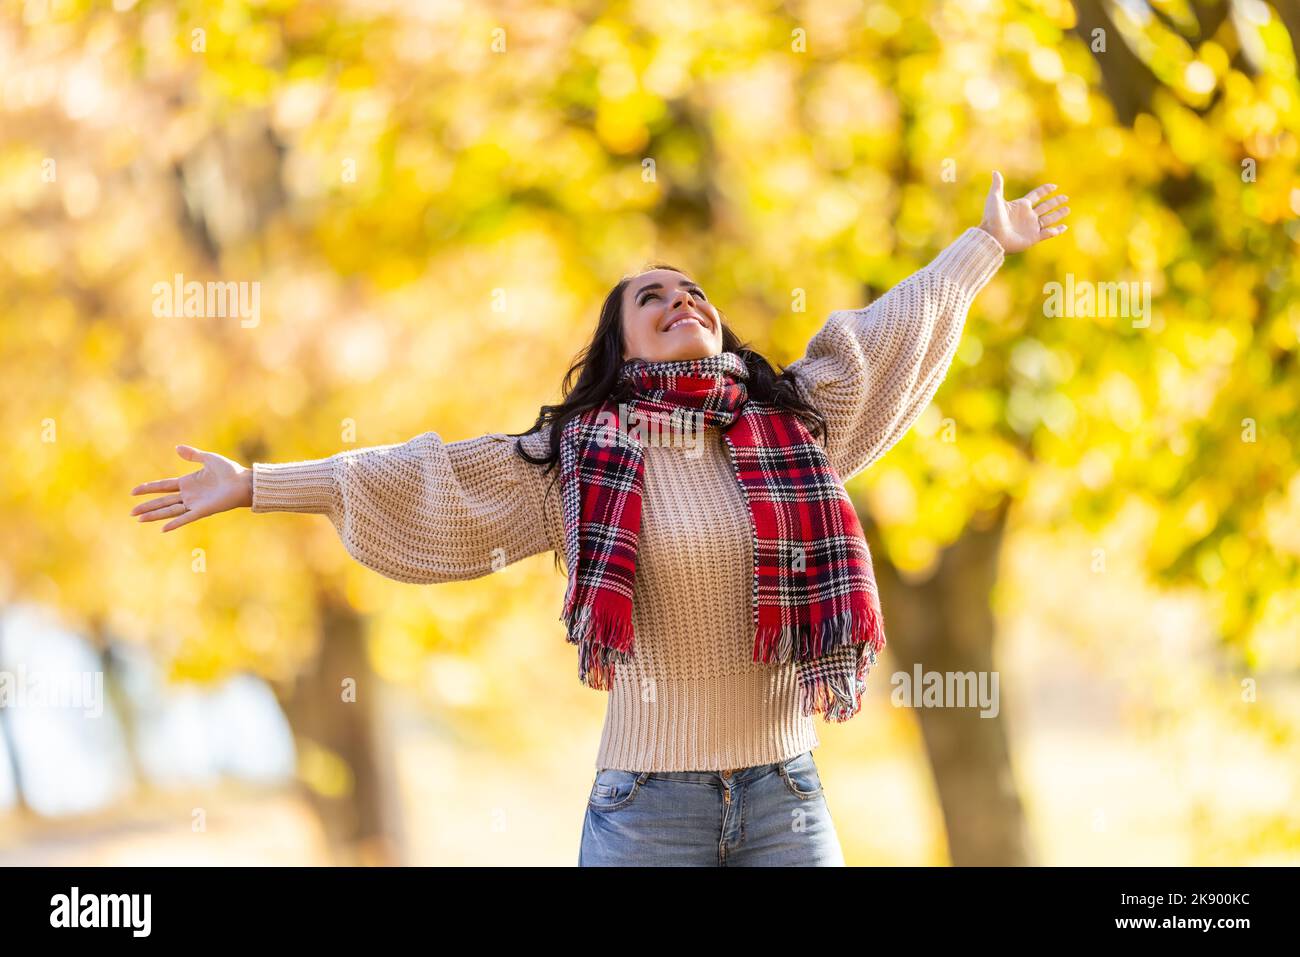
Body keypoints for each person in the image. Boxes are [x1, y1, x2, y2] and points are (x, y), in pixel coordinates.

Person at [130, 172, 1069, 866]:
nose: (678, 300)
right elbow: (428, 483)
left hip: (788, 799)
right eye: (648, 298)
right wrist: (258, 484)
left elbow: (893, 331)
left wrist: (985, 243)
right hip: (647, 811)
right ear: (619, 347)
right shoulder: (580, 460)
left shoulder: (798, 422)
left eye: (689, 289)